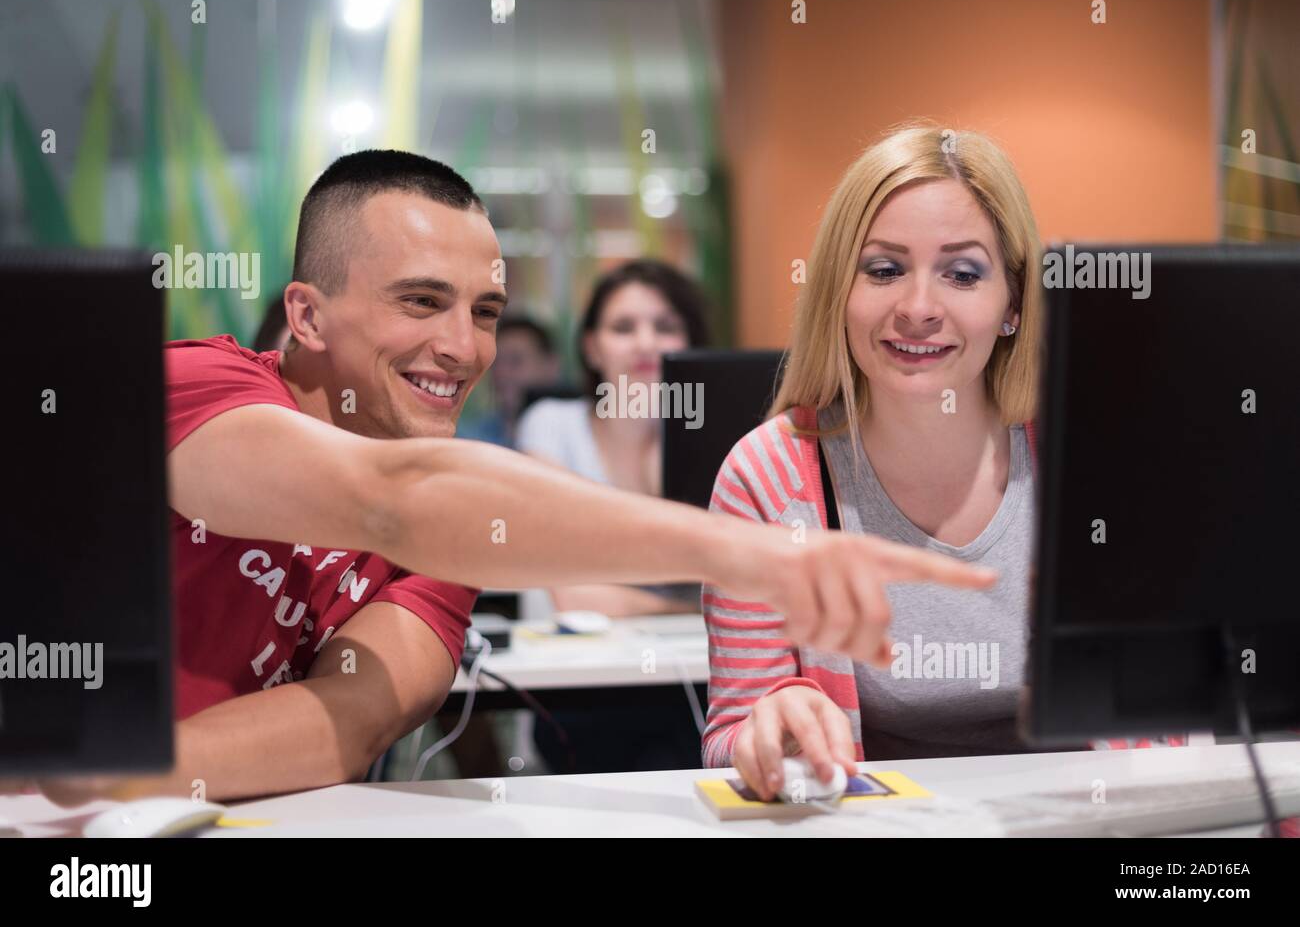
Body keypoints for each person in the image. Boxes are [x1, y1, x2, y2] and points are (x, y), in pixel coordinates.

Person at [12, 148, 993, 807]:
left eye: (483, 309)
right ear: (306, 317)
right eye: (422, 302)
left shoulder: (437, 554)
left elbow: (346, 724)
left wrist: (101, 780)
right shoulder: (193, 385)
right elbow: (385, 494)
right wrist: (734, 548)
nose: (461, 347)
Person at [701, 124, 1184, 801]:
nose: (919, 308)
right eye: (884, 269)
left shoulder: (1097, 461)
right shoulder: (768, 478)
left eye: (962, 273)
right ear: (839, 291)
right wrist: (768, 731)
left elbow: (1169, 724)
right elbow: (729, 734)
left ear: (1012, 302)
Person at [517, 259, 708, 617]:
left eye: (665, 327)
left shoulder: (714, 438)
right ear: (592, 348)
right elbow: (572, 597)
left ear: (690, 342)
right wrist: (687, 610)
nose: (646, 343)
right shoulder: (551, 426)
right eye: (623, 327)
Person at [457, 314, 560, 447]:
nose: (501, 373)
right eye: (495, 362)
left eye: (515, 361)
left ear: (550, 366)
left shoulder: (579, 434)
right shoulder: (469, 441)